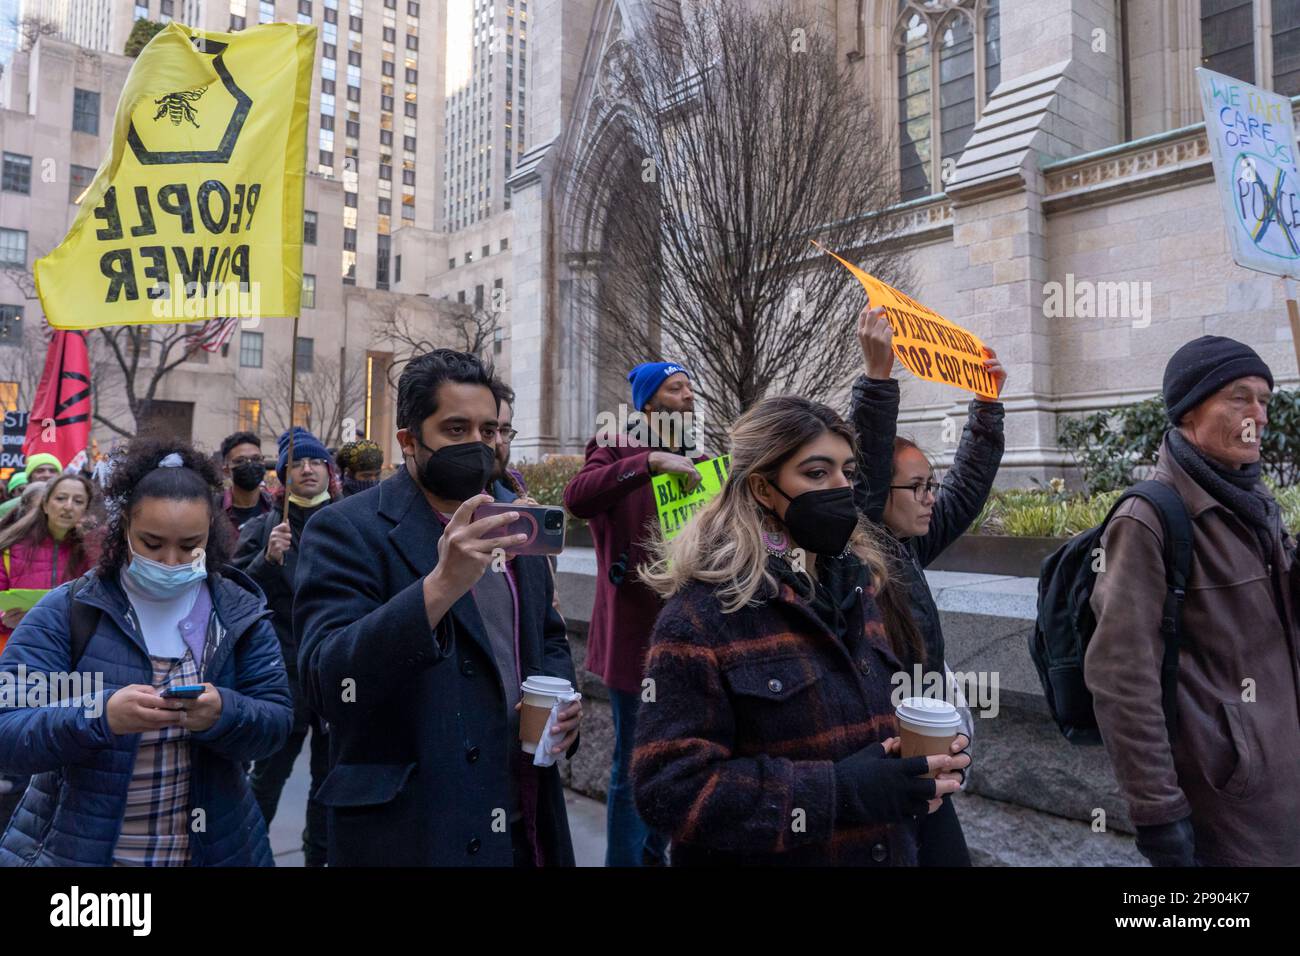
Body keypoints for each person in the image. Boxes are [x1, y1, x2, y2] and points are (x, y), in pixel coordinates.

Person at [631, 396, 970, 864]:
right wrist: (840, 793)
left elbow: (861, 731)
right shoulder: (701, 616)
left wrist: (914, 762)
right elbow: (668, 790)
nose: (841, 488)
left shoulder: (859, 591)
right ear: (762, 489)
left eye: (848, 473)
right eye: (816, 473)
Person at [295, 348, 581, 866]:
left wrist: (561, 703)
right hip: (415, 830)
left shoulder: (519, 523)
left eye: (489, 430)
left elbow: (548, 636)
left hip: (522, 821)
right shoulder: (345, 530)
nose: (478, 445)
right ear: (408, 440)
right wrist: (439, 587)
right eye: (456, 429)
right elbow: (327, 679)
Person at [0, 440, 292, 866]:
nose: (172, 561)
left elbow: (276, 721)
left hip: (212, 850)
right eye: (153, 544)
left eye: (190, 544)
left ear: (212, 535)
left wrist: (223, 714)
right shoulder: (69, 610)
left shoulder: (238, 612)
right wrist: (97, 717)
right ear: (122, 530)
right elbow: (9, 730)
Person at [1085, 336, 1300, 867]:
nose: (1260, 415)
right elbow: (1122, 678)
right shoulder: (1148, 519)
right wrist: (1158, 814)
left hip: (1284, 791)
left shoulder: (1256, 502)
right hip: (1227, 810)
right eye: (1239, 397)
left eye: (1265, 401)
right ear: (1188, 411)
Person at [850, 304, 1006, 865]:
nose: (930, 497)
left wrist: (986, 406)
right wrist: (877, 379)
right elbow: (863, 481)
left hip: (921, 742)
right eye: (916, 487)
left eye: (929, 484)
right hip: (881, 749)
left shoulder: (907, 546)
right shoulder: (858, 545)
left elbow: (965, 491)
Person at [563, 361, 705, 867]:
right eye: (675, 387)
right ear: (648, 401)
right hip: (636, 636)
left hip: (694, 636)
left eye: (690, 386)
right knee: (633, 763)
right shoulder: (615, 447)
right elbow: (576, 498)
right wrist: (648, 463)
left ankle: (653, 856)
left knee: (683, 761)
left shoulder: (703, 460)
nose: (688, 396)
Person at [232, 426, 337, 867]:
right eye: (298, 463)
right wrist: (267, 561)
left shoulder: (349, 521)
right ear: (282, 474)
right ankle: (250, 855)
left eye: (315, 462)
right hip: (283, 676)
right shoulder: (262, 527)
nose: (308, 470)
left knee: (328, 784)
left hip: (335, 674)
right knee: (268, 777)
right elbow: (231, 596)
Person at [220, 431, 274, 536]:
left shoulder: (276, 508)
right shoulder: (214, 510)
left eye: (256, 459)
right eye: (240, 461)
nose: (250, 464)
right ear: (226, 470)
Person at [0, 454, 62, 521]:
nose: (47, 475)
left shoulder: (68, 504)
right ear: (30, 477)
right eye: (40, 471)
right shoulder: (7, 508)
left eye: (52, 471)